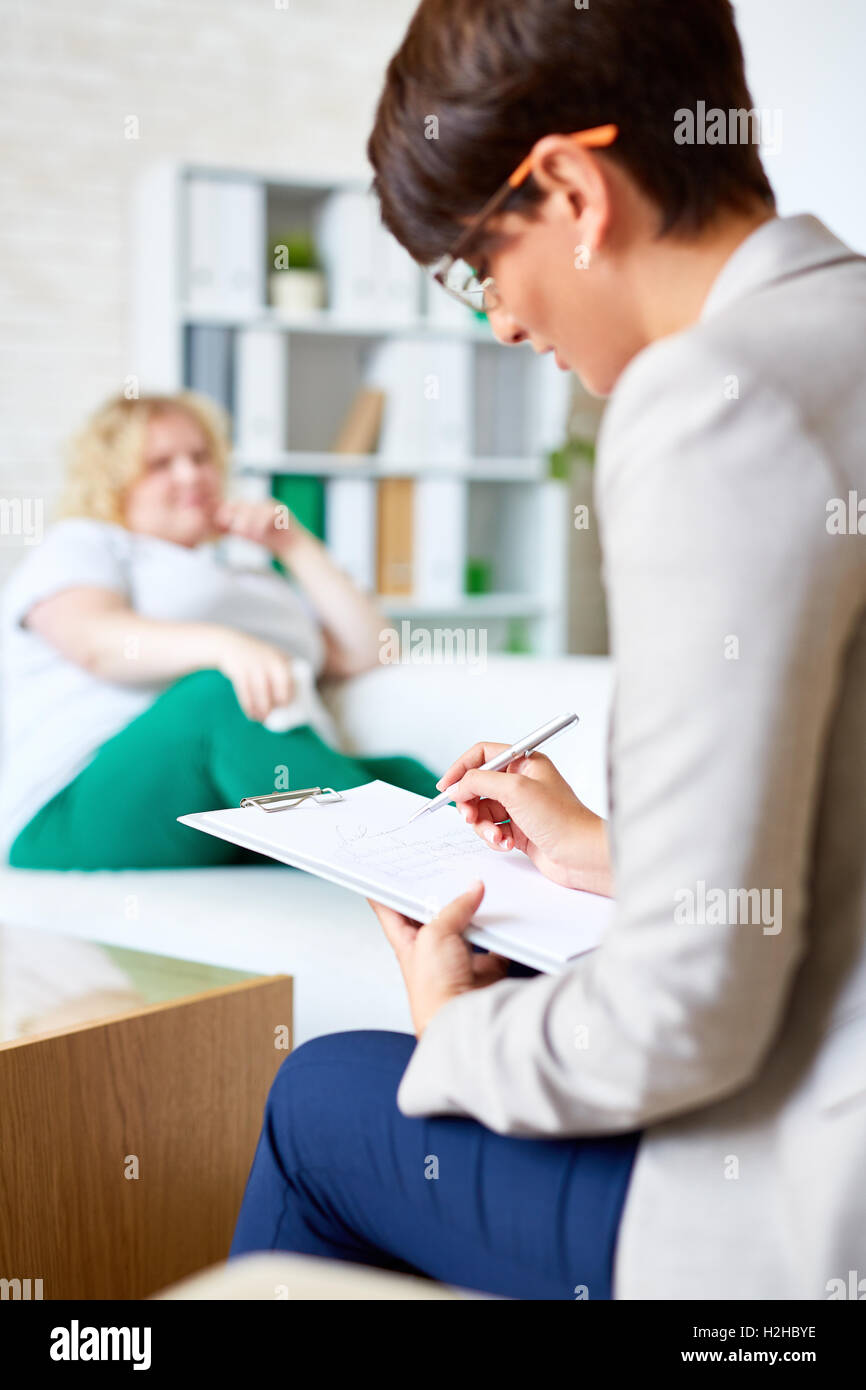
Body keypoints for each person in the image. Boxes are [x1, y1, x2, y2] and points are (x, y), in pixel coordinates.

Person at [230, 0, 866, 1300]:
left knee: (321, 1092)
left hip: (794, 1209)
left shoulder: (707, 405)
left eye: (474, 272)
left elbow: (681, 1014)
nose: (503, 328)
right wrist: (601, 848)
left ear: (571, 187)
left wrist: (462, 1031)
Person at [0, 391, 437, 869]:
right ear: (113, 479)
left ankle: (490, 871)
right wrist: (227, 648)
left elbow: (371, 649)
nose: (191, 474)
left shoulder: (248, 573)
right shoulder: (88, 542)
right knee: (217, 695)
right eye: (160, 463)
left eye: (201, 456)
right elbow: (95, 643)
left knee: (403, 776)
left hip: (226, 793)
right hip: (71, 807)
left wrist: (290, 541)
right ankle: (413, 865)